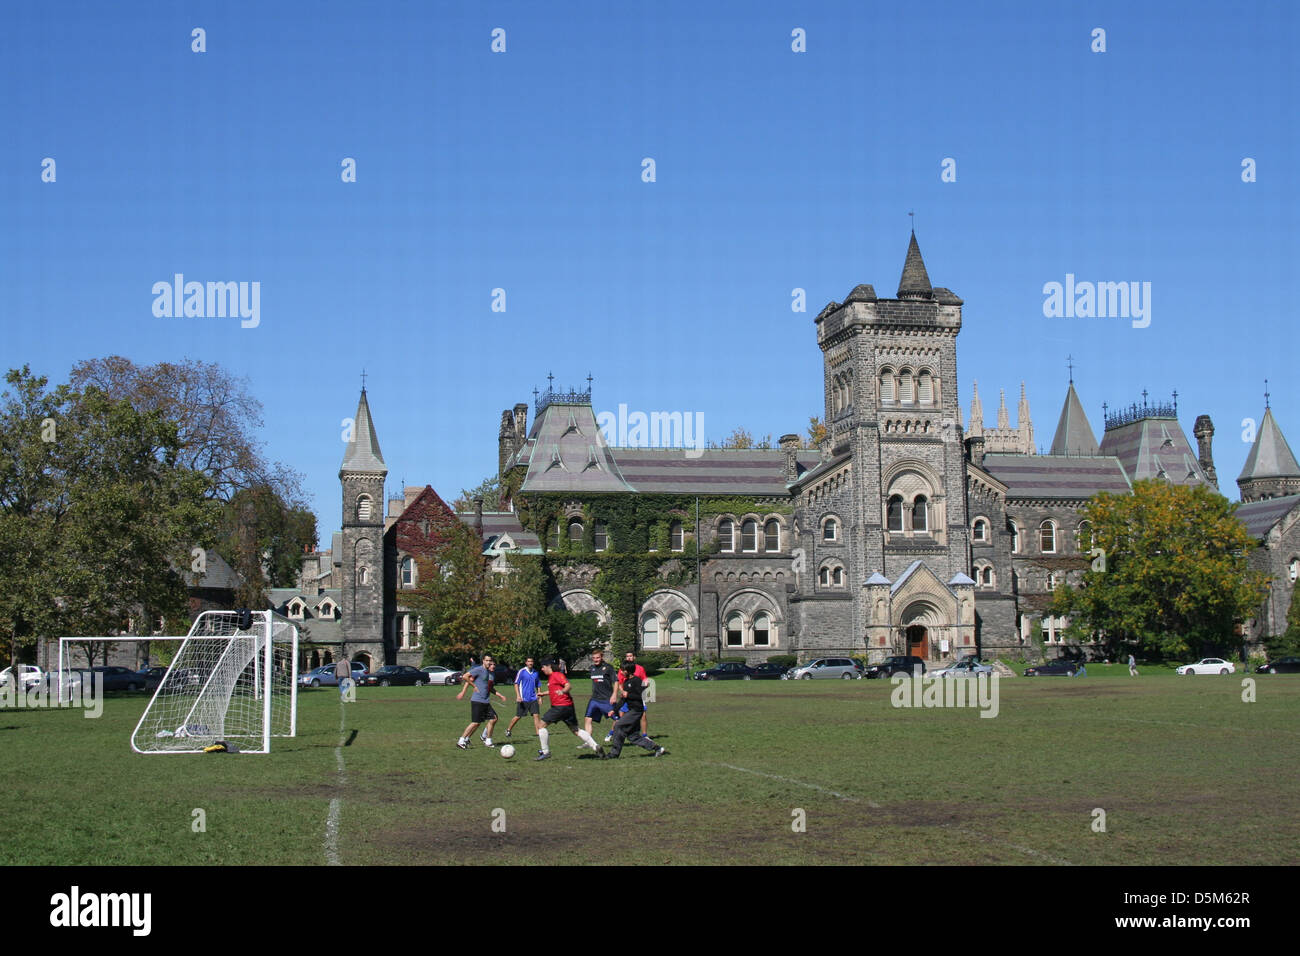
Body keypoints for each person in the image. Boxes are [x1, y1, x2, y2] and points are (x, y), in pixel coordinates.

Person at [535, 660, 604, 761]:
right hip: (567, 707)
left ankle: (545, 752)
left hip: (560, 707)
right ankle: (595, 746)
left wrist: (562, 691)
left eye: (543, 667)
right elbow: (553, 690)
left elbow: (568, 685)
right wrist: (543, 694)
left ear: (548, 666)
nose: (542, 669)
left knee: (540, 725)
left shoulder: (556, 674)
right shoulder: (552, 677)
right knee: (576, 730)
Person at [606, 660, 666, 759]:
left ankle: (614, 753)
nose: (621, 672)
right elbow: (623, 699)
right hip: (631, 710)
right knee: (633, 737)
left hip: (636, 710)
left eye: (623, 670)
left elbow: (640, 696)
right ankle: (658, 748)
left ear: (628, 670)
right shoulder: (626, 682)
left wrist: (628, 694)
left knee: (618, 725)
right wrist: (614, 710)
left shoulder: (637, 681)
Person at [455, 654, 508, 750]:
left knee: (493, 718)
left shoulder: (488, 673)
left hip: (485, 701)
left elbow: (489, 688)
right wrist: (473, 686)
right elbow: (465, 676)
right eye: (487, 660)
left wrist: (500, 695)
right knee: (475, 722)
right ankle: (461, 740)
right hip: (477, 700)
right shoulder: (479, 670)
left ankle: (487, 740)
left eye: (490, 661)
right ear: (483, 661)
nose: (489, 662)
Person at [608, 651, 649, 743]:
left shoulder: (638, 673)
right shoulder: (624, 676)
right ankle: (612, 733)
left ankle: (644, 735)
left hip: (636, 704)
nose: (629, 658)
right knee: (622, 718)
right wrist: (622, 692)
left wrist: (646, 684)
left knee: (640, 716)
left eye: (630, 656)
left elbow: (642, 686)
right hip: (628, 701)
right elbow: (619, 684)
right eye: (627, 656)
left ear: (634, 657)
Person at [583, 650, 619, 737]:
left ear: (601, 657)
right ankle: (589, 742)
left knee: (618, 719)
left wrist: (614, 695)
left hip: (607, 699)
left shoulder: (608, 667)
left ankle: (618, 735)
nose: (596, 660)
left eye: (598, 657)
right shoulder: (592, 668)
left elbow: (616, 682)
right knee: (587, 719)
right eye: (594, 658)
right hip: (594, 699)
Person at [505, 657, 543, 738]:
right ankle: (508, 730)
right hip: (523, 699)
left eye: (532, 661)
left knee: (536, 715)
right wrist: (518, 696)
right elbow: (516, 684)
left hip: (533, 698)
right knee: (518, 716)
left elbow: (538, 685)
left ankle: (538, 733)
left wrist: (540, 697)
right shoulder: (522, 671)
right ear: (526, 662)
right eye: (529, 661)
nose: (530, 663)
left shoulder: (536, 672)